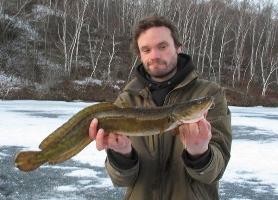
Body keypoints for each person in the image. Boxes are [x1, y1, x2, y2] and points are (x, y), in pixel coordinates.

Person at [89, 15, 232, 200]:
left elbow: (216, 171)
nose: (154, 55)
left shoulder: (209, 94)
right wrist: (122, 155)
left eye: (162, 47)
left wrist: (200, 154)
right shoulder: (126, 101)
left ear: (178, 48)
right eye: (146, 50)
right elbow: (121, 180)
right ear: (140, 55)